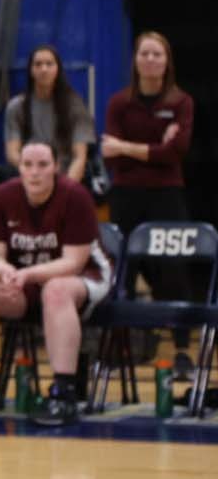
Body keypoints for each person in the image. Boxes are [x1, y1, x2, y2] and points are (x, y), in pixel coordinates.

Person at [0, 142, 111, 426]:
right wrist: (6, 272)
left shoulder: (75, 196)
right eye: (28, 165)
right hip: (26, 280)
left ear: (56, 167)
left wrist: (28, 275)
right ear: (19, 168)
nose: (35, 172)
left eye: (43, 165)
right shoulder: (1, 197)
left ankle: (63, 394)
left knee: (56, 288)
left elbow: (74, 262)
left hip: (85, 277)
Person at [102, 31, 196, 375]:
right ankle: (120, 349)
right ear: (136, 60)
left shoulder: (181, 102)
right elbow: (110, 158)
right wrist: (155, 149)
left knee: (174, 270)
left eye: (158, 54)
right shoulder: (119, 102)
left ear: (167, 61)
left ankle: (183, 349)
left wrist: (127, 147)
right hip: (126, 194)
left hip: (166, 194)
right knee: (122, 269)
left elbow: (176, 153)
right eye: (145, 53)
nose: (151, 59)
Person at [5, 45, 94, 183]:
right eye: (38, 64)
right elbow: (12, 153)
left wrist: (66, 189)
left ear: (58, 69)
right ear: (30, 70)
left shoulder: (75, 106)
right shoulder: (16, 106)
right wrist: (35, 173)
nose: (44, 69)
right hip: (28, 179)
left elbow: (79, 157)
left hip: (65, 177)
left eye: (49, 64)